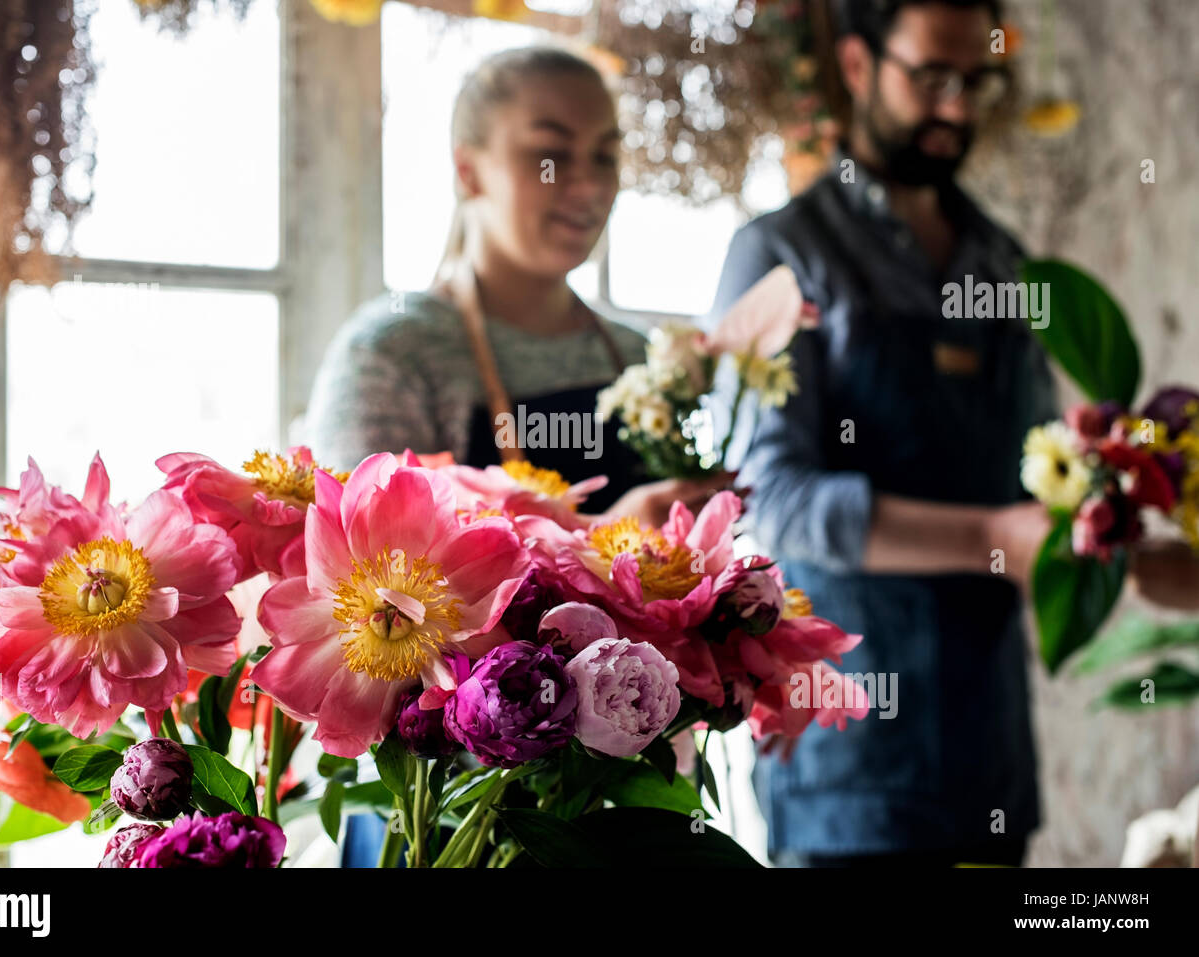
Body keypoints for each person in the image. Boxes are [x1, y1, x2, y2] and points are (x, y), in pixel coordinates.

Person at [302, 45, 731, 865]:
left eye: (604, 154)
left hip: (618, 795)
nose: (588, 181)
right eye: (550, 153)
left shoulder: (641, 357)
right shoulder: (395, 352)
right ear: (468, 171)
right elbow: (354, 599)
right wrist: (612, 534)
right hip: (451, 803)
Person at [708, 0, 1055, 866]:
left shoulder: (1004, 263)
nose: (957, 108)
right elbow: (771, 500)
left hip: (989, 745)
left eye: (977, 81)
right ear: (859, 67)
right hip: (846, 761)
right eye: (932, 77)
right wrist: (991, 536)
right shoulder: (779, 254)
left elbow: (1049, 473)